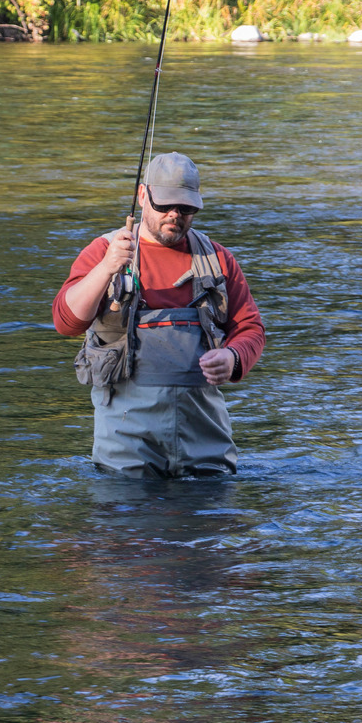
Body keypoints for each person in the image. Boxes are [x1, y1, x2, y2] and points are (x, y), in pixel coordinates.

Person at [53, 152, 265, 478]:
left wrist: (233, 357)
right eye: (165, 205)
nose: (174, 215)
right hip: (126, 444)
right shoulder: (104, 251)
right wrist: (107, 268)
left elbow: (250, 328)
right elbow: (66, 322)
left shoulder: (218, 259)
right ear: (142, 196)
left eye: (186, 208)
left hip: (204, 437)